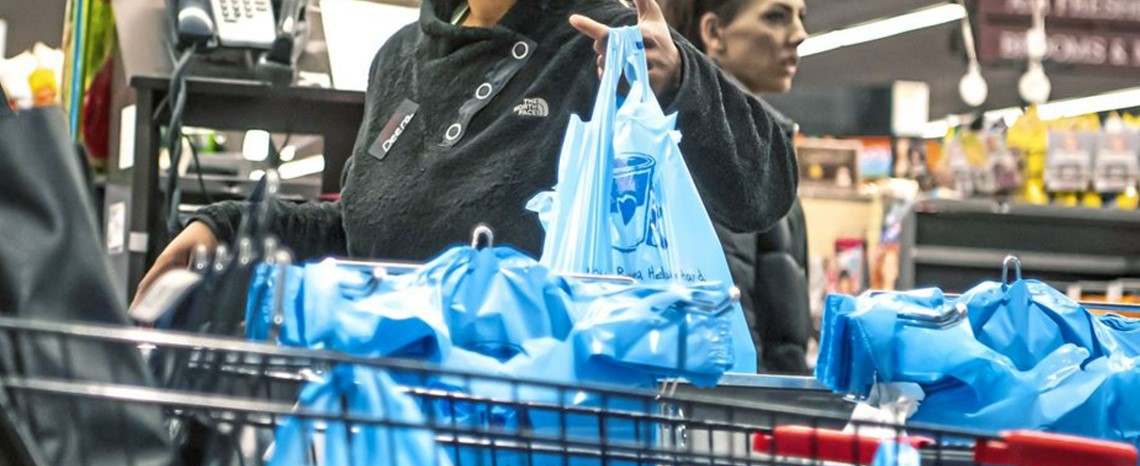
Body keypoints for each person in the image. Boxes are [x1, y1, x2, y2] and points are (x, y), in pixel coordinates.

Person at [132, 0, 799, 309]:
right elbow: (372, 231)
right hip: (397, 420)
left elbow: (763, 187)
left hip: (550, 443)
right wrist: (229, 224)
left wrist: (680, 79)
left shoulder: (604, 41)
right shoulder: (401, 57)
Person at [661, 0, 811, 374]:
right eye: (775, 16)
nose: (799, 35)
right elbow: (728, 312)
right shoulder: (722, 157)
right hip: (741, 412)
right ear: (714, 33)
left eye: (800, 17)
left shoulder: (757, 148)